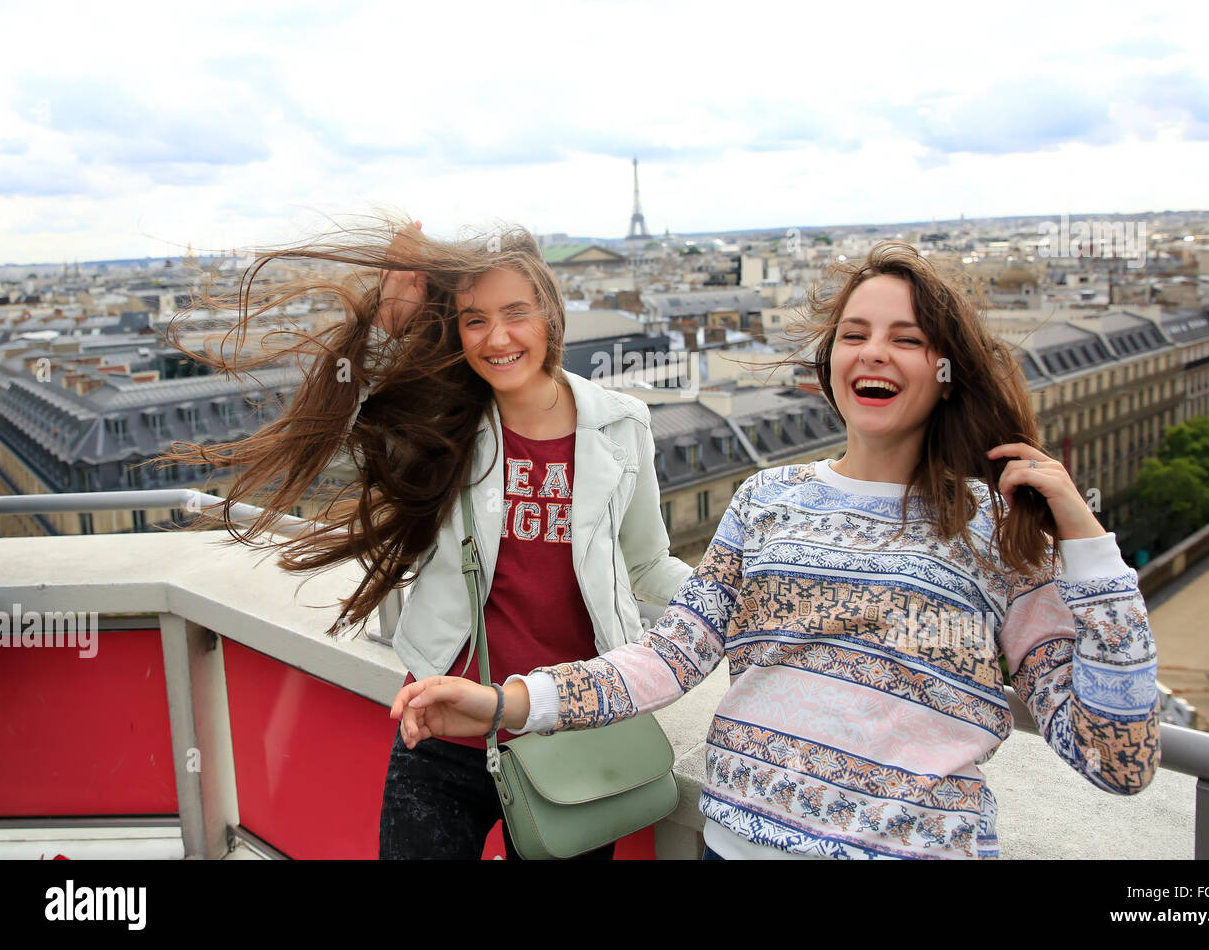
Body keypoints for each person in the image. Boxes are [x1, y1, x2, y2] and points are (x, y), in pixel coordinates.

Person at [394, 241, 1162, 860]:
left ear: (945, 367)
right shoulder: (765, 500)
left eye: (907, 338)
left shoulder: (994, 531)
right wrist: (504, 702)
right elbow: (669, 657)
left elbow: (1117, 759)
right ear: (828, 361)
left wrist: (1090, 549)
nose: (873, 354)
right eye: (854, 335)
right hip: (735, 841)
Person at [161, 217, 692, 860]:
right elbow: (345, 416)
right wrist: (385, 332)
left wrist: (729, 596)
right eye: (474, 320)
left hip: (564, 720)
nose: (497, 338)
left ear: (550, 314)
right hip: (442, 720)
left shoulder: (621, 426)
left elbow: (644, 568)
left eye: (515, 313)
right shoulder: (448, 418)